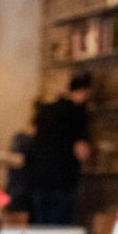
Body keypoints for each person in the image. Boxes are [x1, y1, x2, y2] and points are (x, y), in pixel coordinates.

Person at [24, 73, 93, 226]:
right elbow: (80, 151)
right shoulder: (78, 112)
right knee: (59, 233)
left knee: (39, 232)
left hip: (39, 178)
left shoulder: (45, 110)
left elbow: (32, 135)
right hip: (63, 181)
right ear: (85, 91)